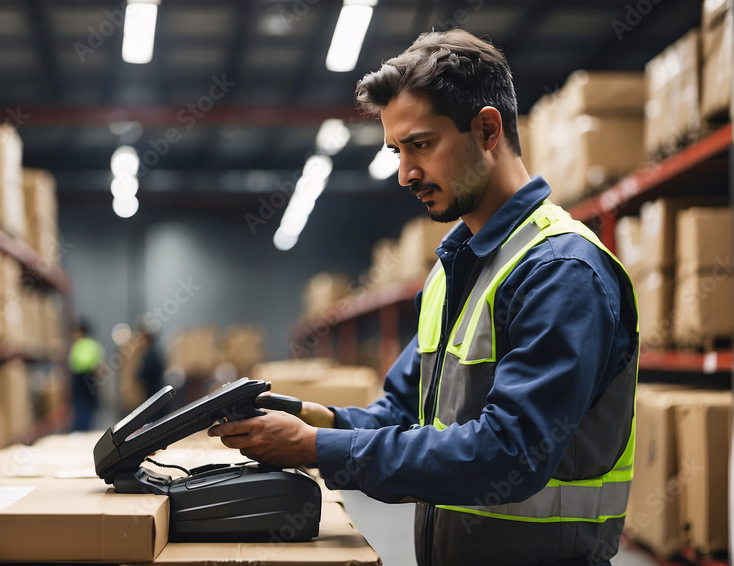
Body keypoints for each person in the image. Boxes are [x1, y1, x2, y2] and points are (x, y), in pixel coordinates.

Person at [209, 29, 638, 566]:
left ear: (487, 130)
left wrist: (316, 448)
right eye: (397, 151)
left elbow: (510, 452)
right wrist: (319, 419)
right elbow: (405, 412)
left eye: (421, 145)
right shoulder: (452, 271)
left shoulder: (560, 271)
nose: (405, 174)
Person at [69, 319, 104, 431]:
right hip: (88, 380)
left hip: (83, 379)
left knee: (82, 409)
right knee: (86, 409)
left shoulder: (82, 344)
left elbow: (84, 362)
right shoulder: (93, 344)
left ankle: (81, 431)